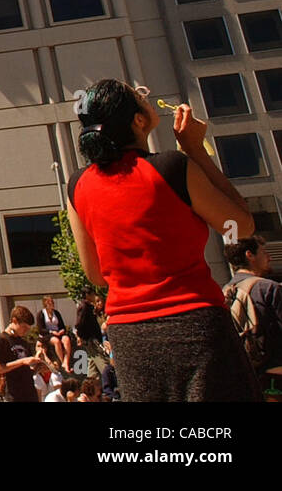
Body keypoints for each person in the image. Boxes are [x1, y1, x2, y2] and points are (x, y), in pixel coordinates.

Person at [66, 79, 262, 401]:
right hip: (195, 323)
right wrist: (196, 149)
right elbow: (238, 229)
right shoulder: (171, 167)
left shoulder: (78, 185)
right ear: (139, 120)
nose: (146, 95)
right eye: (139, 96)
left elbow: (97, 274)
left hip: (129, 336)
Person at [223, 234, 282, 387]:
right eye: (263, 252)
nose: (269, 257)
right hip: (276, 372)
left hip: (247, 377)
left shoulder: (225, 292)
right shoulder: (268, 288)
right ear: (250, 255)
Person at [0, 306, 51, 403]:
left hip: (30, 391)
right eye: (24, 327)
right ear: (14, 321)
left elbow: (26, 369)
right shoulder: (2, 340)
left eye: (28, 328)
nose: (26, 331)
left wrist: (38, 366)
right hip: (14, 394)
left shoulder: (23, 342)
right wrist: (22, 361)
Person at [38, 295, 74, 369]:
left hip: (58, 333)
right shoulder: (41, 314)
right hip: (47, 334)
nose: (52, 304)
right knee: (56, 341)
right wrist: (51, 332)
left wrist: (61, 330)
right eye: (50, 303)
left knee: (66, 339)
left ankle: (66, 361)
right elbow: (41, 329)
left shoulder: (56, 313)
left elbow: (62, 326)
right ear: (45, 304)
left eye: (52, 302)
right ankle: (61, 361)